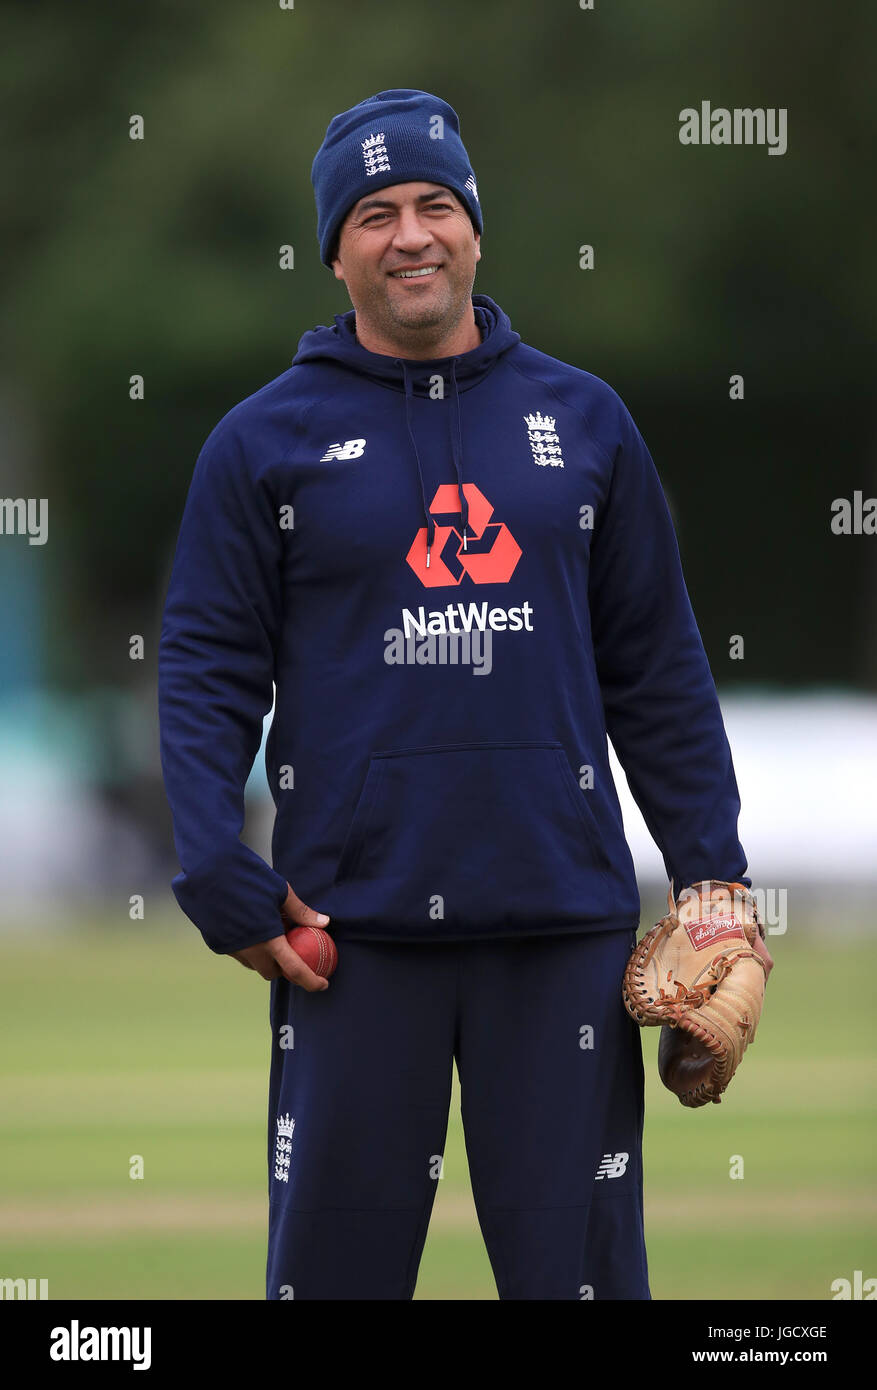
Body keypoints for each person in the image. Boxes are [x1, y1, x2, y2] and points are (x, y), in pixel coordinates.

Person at [158, 87, 773, 1301]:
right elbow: (205, 666)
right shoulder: (258, 444)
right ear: (334, 249)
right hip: (346, 936)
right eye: (375, 213)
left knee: (582, 1286)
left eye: (437, 204)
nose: (412, 234)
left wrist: (712, 871)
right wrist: (212, 866)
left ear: (477, 230)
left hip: (562, 931)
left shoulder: (585, 421)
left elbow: (656, 663)